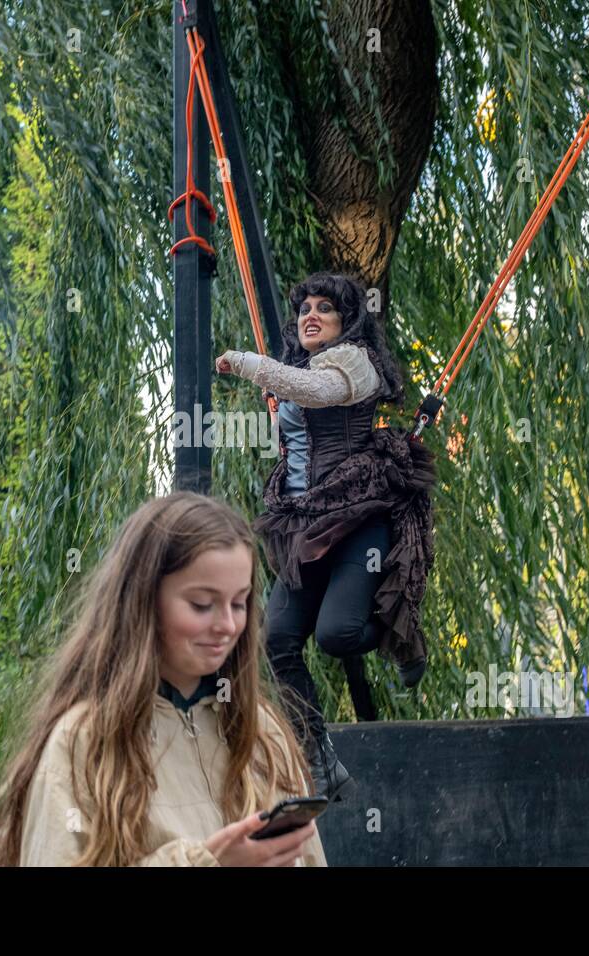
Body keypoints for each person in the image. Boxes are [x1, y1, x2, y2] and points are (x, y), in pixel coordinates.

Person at [0, 491, 326, 867]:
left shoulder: (263, 733)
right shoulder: (82, 741)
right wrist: (206, 863)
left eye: (239, 602)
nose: (227, 626)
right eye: (201, 604)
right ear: (143, 600)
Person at [216, 272, 437, 801]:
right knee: (275, 641)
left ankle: (398, 634)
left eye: (325, 309)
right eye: (304, 309)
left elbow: (317, 393)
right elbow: (295, 429)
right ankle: (318, 755)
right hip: (304, 525)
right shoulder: (293, 371)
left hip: (358, 518)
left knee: (338, 635)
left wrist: (250, 364)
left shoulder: (355, 363)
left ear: (347, 322)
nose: (309, 316)